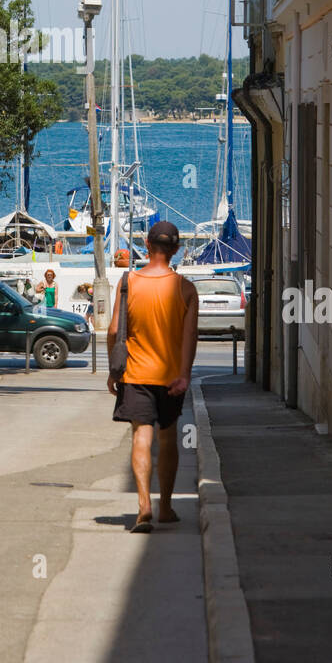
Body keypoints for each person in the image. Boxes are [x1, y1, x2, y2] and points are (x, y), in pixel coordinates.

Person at [107, 220, 198, 533]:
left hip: (136, 374)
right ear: (176, 249)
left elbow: (114, 330)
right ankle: (166, 507)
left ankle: (143, 504)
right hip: (171, 376)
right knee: (168, 437)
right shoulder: (186, 289)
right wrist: (184, 375)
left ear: (146, 245)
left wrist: (113, 371)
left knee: (141, 436)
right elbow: (190, 337)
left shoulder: (128, 282)